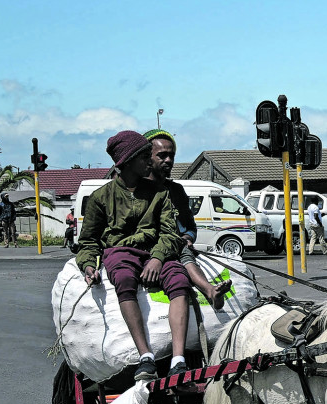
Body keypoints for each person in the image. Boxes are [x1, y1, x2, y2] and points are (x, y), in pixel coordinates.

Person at [75, 130, 191, 382]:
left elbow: (171, 233)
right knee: (124, 278)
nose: (149, 162)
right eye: (143, 157)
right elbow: (88, 242)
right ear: (126, 162)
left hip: (156, 251)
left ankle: (178, 360)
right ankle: (146, 356)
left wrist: (158, 258)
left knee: (180, 280)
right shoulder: (100, 198)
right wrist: (88, 266)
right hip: (120, 252)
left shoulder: (160, 193)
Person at [145, 131, 234, 314]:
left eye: (171, 156)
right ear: (147, 158)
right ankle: (208, 289)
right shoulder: (137, 191)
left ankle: (211, 291)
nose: (168, 160)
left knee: (184, 251)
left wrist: (187, 236)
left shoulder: (176, 191)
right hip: (150, 249)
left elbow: (190, 226)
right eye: (162, 155)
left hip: (177, 246)